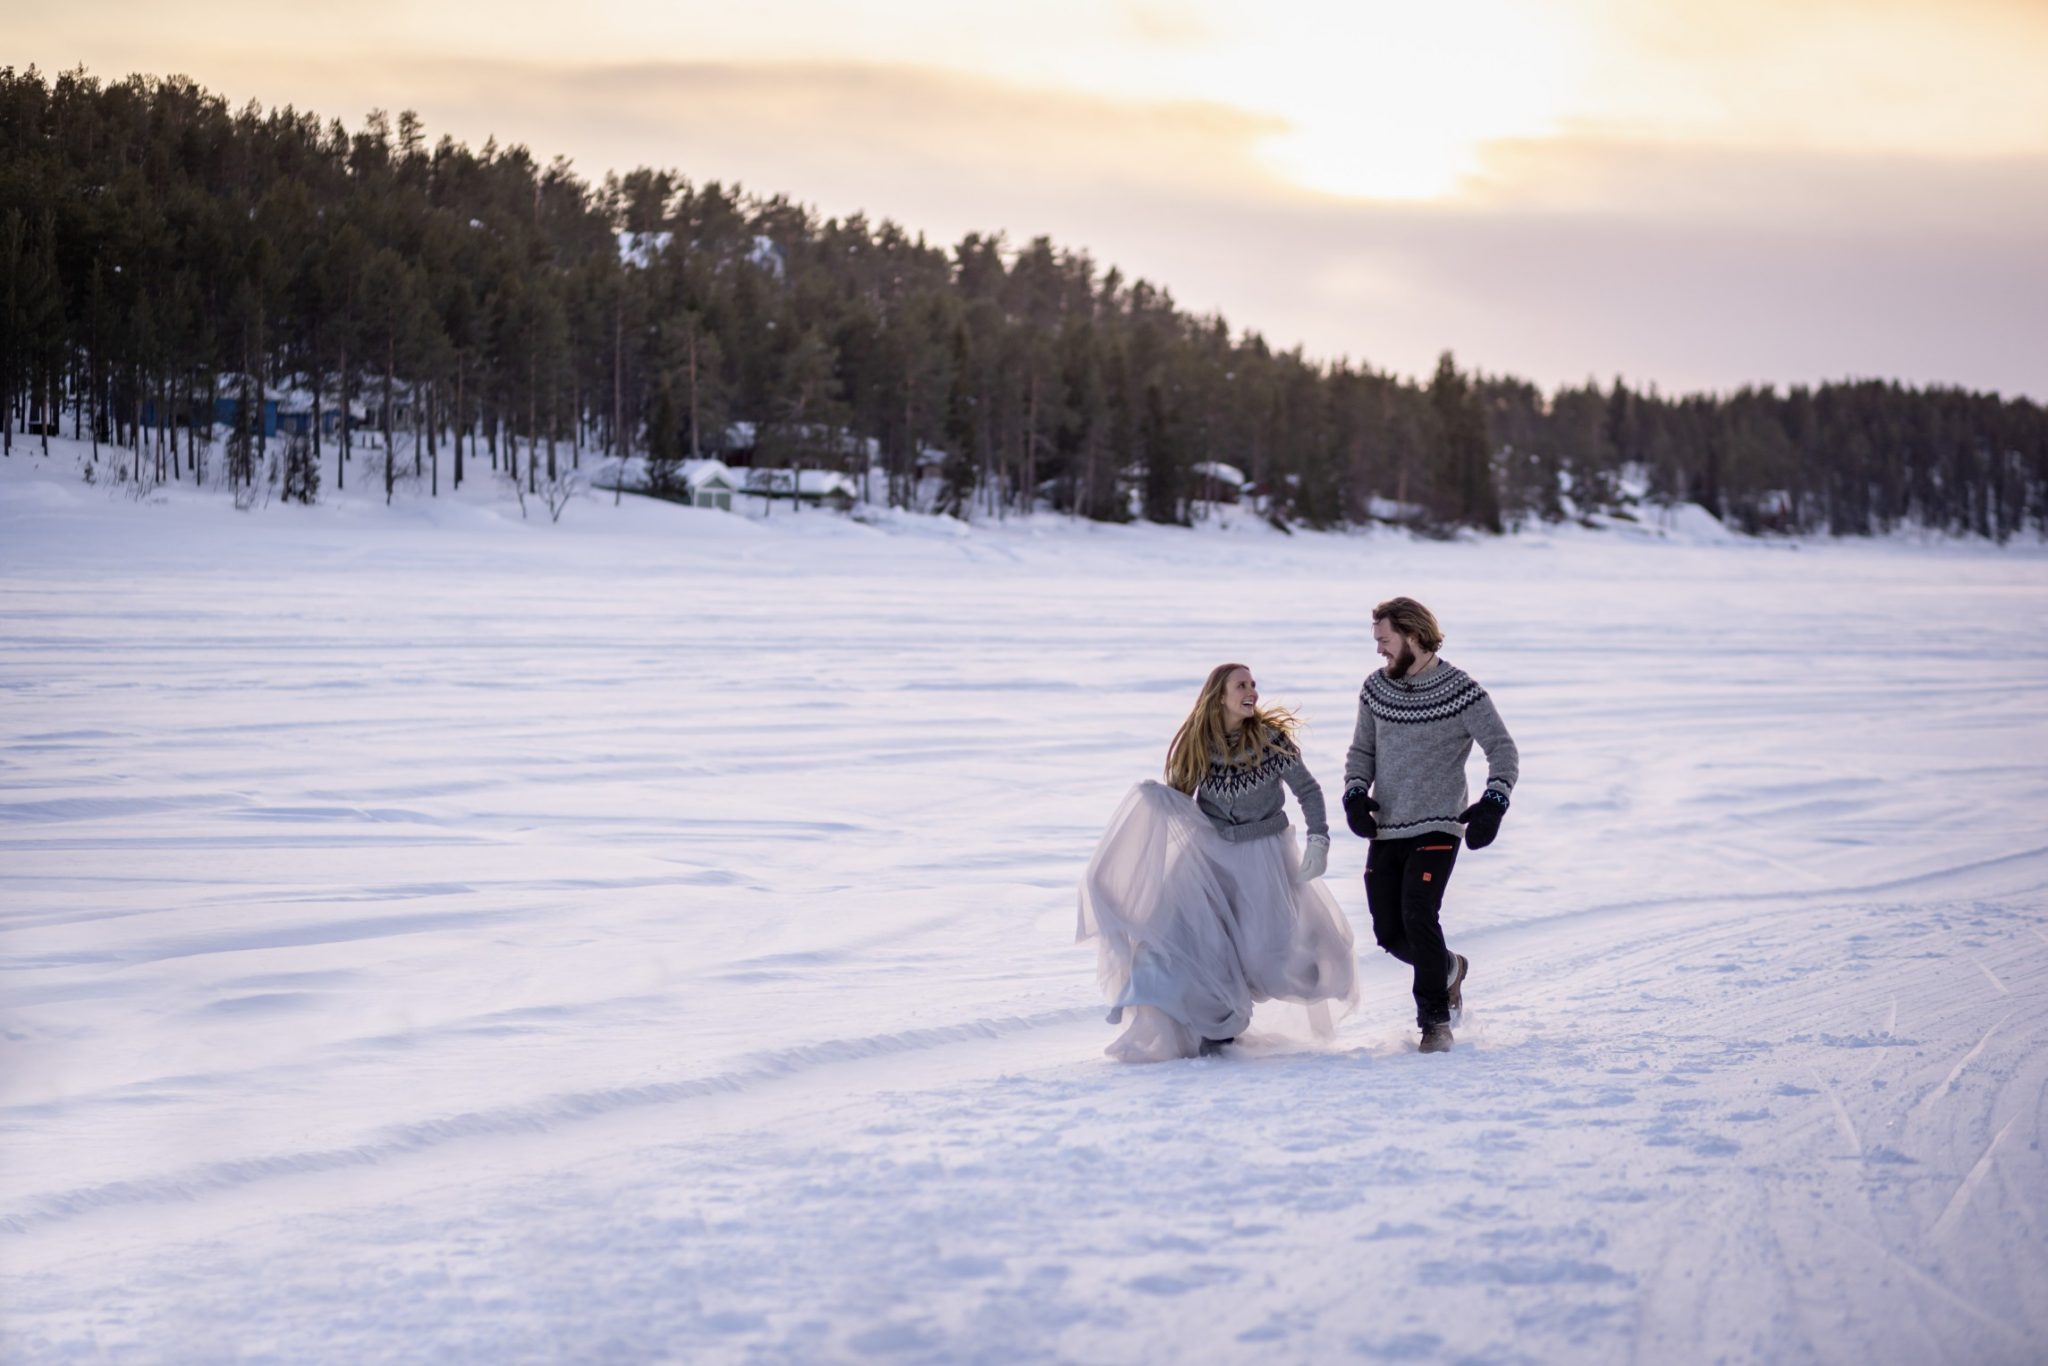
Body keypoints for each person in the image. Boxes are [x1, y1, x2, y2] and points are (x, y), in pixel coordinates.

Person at [1078, 663, 1360, 1063]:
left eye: (1253, 685)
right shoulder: (1199, 742)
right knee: (1187, 939)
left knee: (1265, 955)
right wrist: (1152, 806)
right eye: (1241, 685)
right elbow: (1179, 802)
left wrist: (1319, 837)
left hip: (1265, 855)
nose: (1252, 691)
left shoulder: (1271, 740)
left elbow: (1309, 791)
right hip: (1210, 856)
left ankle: (1312, 958)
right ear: (1220, 695)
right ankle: (1218, 1025)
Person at [1342, 598, 1519, 1054]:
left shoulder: (1461, 690)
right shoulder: (1375, 689)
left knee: (1420, 913)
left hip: (1440, 823)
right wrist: (1356, 792)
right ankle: (1448, 969)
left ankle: (1434, 1023)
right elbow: (1362, 751)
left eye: (1384, 640)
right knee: (1389, 932)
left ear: (1413, 634)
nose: (1379, 650)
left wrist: (1493, 802)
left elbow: (1503, 750)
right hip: (1388, 825)